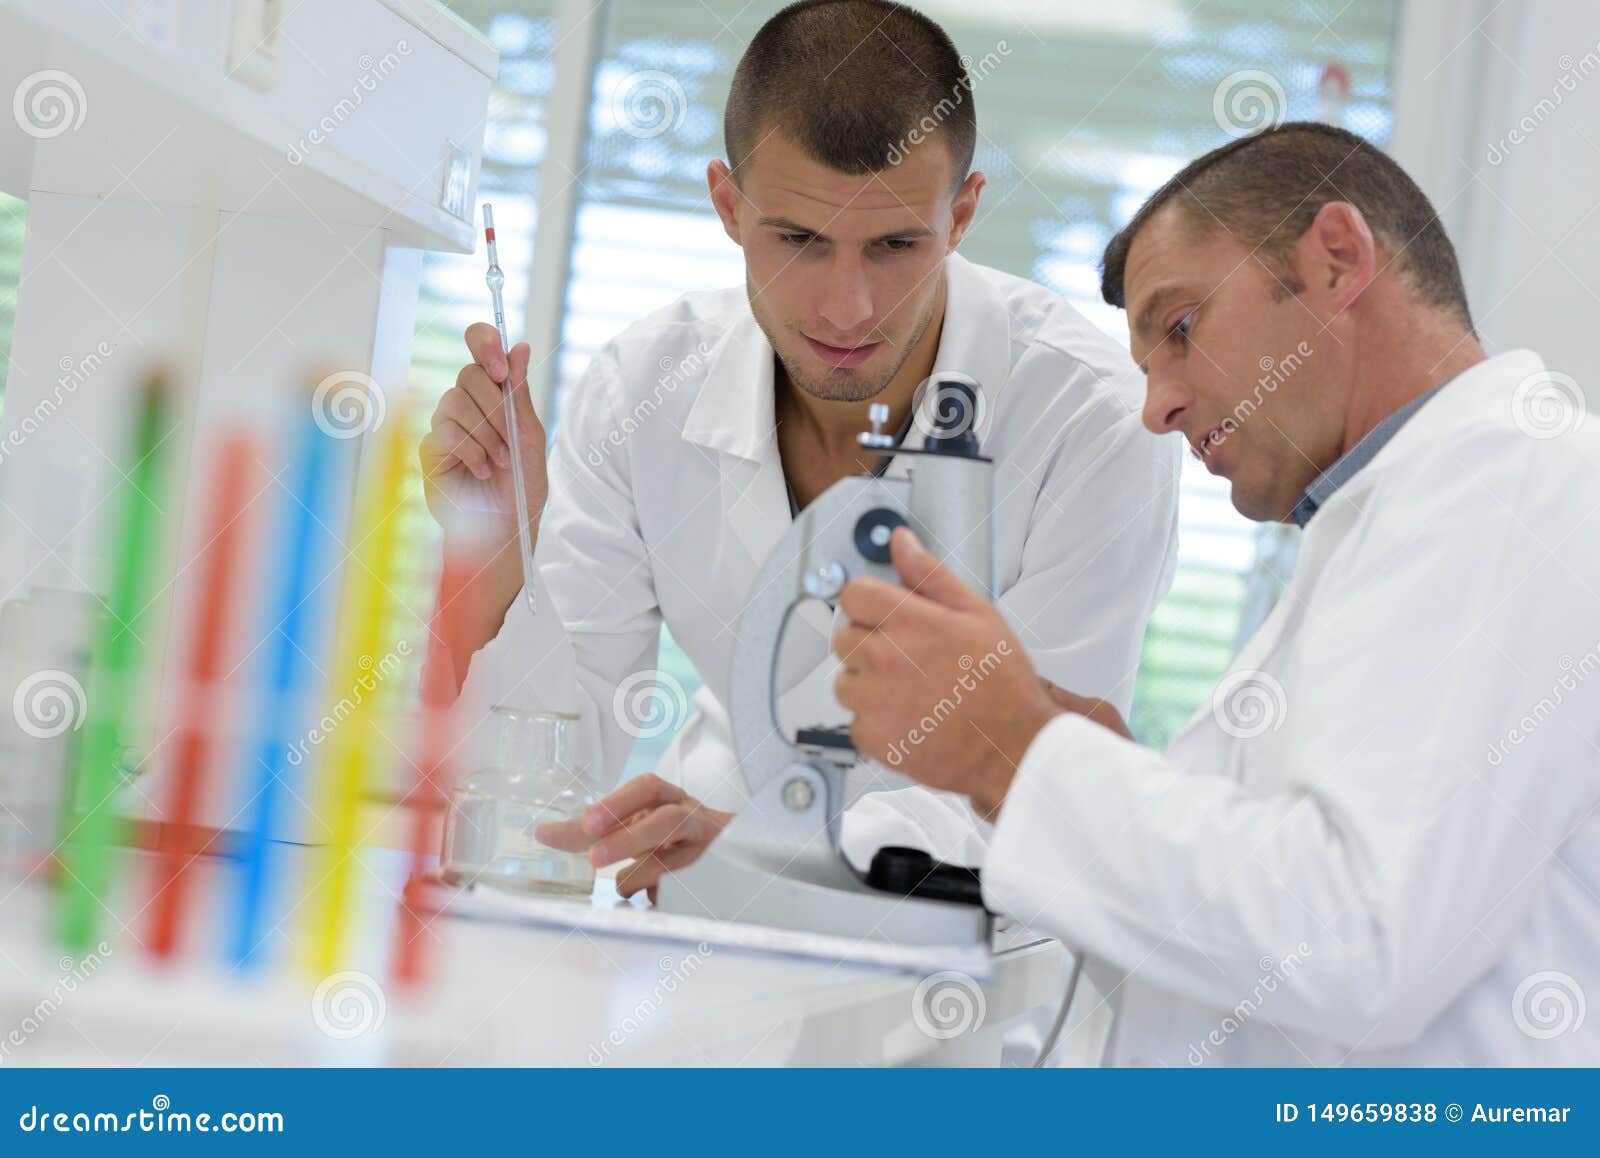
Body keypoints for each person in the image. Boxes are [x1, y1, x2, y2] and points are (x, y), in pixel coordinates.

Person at [833, 122, 1600, 1065]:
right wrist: (1087, 771)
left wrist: (1020, 755)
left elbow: (1359, 948)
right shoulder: (1391, 518)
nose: (1155, 407)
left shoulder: (1502, 486)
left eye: (1182, 329)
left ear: (1336, 259)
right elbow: (1244, 972)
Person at [419, 0, 1179, 899]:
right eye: (799, 241)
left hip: (957, 945)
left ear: (963, 214)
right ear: (728, 206)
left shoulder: (1090, 420)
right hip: (694, 921)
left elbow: (1037, 778)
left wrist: (759, 855)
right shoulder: (644, 389)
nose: (846, 307)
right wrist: (500, 548)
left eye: (896, 245)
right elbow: (555, 763)